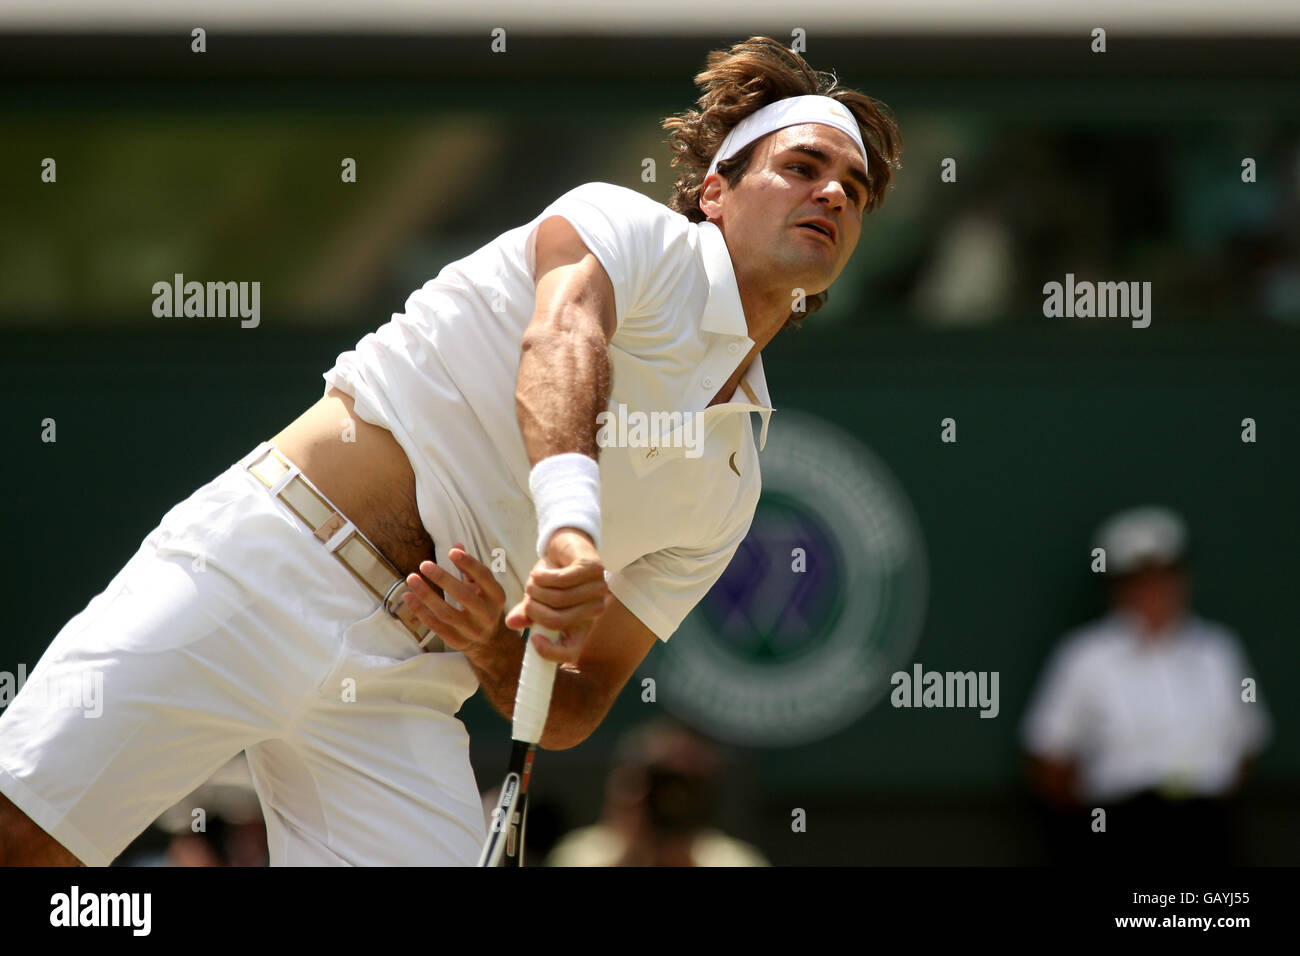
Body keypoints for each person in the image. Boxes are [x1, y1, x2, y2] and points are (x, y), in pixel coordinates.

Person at [0, 36, 901, 866]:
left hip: (407, 684)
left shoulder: (734, 476)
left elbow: (580, 699)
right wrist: (570, 527)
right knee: (24, 838)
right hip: (263, 564)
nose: (831, 194)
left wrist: (495, 653)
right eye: (804, 167)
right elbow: (561, 345)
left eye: (852, 191)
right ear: (714, 190)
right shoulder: (626, 230)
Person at [1020, 506, 1272, 865]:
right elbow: (1048, 757)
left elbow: (1248, 740)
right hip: (1123, 828)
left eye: (1165, 576)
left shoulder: (1218, 650)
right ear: (1116, 586)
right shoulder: (1084, 656)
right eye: (1140, 580)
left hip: (1207, 827)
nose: (1154, 591)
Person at [546, 719, 768, 867]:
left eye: (687, 785)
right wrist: (630, 853)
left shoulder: (732, 861)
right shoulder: (585, 856)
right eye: (660, 783)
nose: (671, 799)